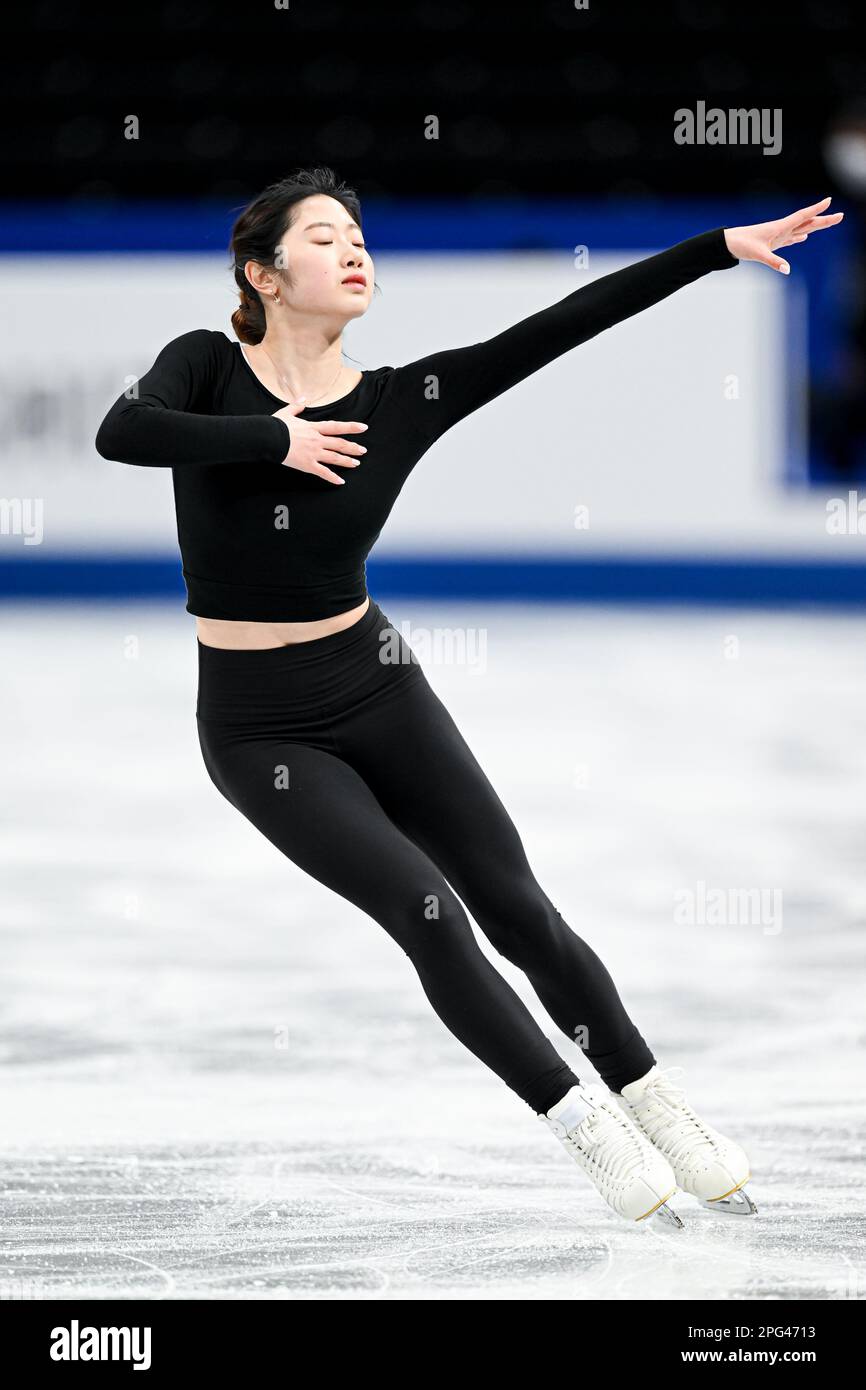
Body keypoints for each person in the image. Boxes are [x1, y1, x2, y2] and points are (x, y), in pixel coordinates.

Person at [95, 169, 841, 1226]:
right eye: (323, 237)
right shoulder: (206, 366)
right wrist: (274, 439)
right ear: (263, 274)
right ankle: (581, 1130)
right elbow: (123, 432)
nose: (354, 250)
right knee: (429, 914)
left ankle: (653, 1102)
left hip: (376, 685)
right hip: (260, 726)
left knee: (521, 912)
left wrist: (711, 247)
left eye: (359, 235)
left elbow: (559, 325)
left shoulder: (404, 399)